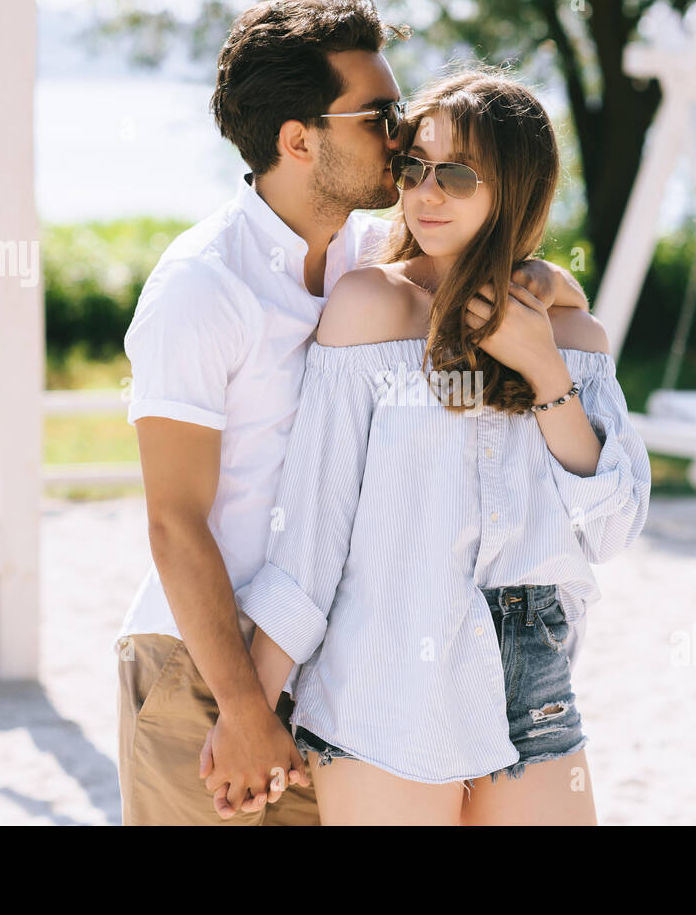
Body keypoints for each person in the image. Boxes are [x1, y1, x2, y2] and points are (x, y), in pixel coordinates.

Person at [115, 0, 589, 826]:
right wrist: (245, 707)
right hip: (204, 661)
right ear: (299, 140)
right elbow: (174, 521)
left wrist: (545, 286)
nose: (402, 133)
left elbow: (501, 271)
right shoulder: (201, 286)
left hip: (333, 675)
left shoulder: (373, 254)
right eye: (379, 113)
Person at [224, 68, 652, 825]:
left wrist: (544, 366)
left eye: (455, 175)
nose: (425, 193)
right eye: (413, 168)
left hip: (533, 679)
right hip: (385, 682)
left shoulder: (574, 341)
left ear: (516, 187)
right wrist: (248, 713)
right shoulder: (370, 308)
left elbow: (609, 530)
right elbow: (312, 538)